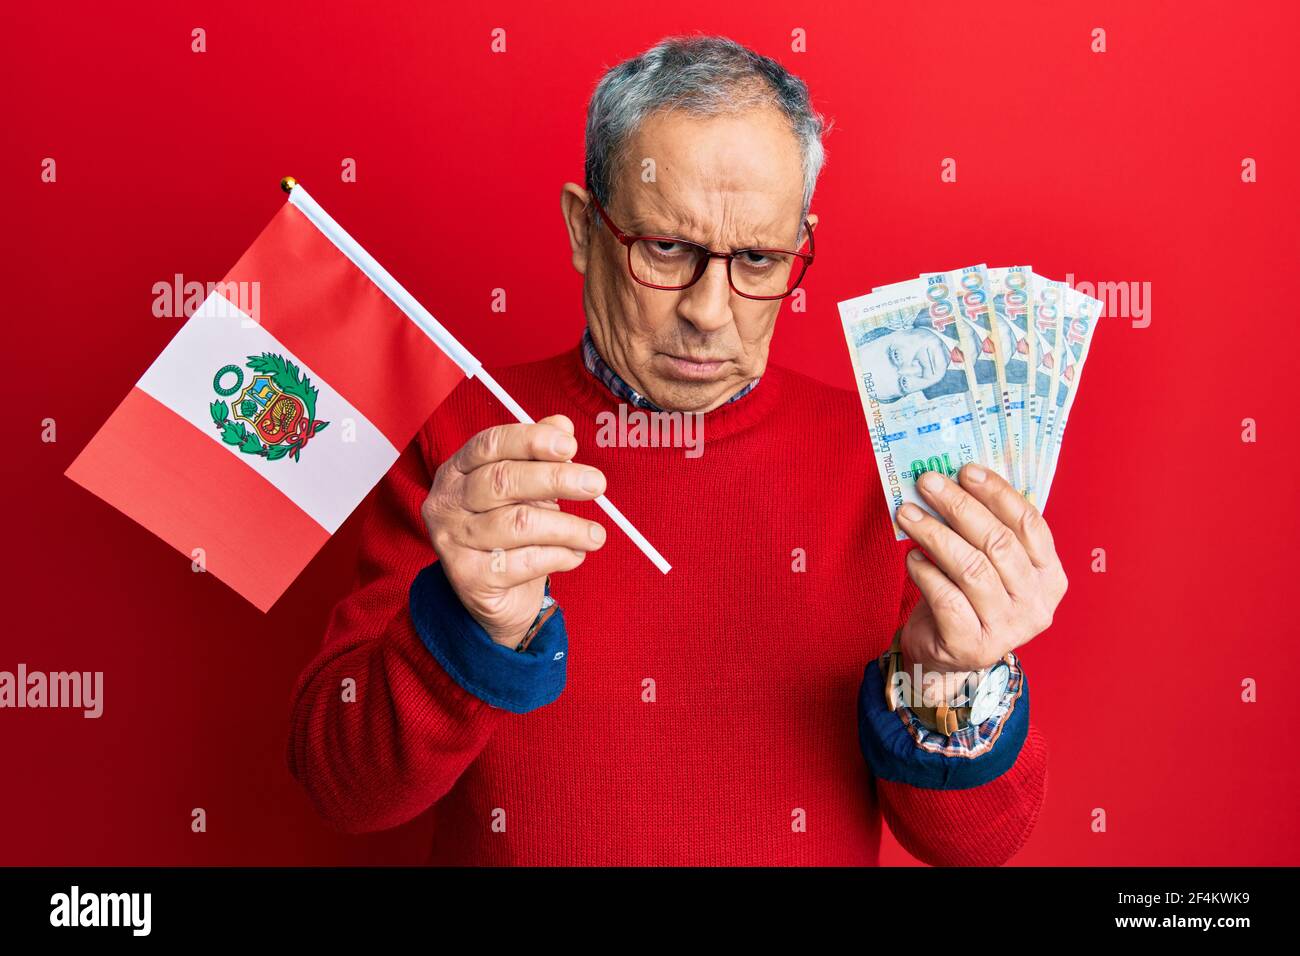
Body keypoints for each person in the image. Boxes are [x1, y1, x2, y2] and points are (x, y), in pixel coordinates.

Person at [287, 34, 1066, 866]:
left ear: (798, 242)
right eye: (667, 248)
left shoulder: (887, 462)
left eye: (759, 260)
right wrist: (467, 627)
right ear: (586, 229)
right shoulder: (471, 445)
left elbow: (975, 846)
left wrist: (948, 675)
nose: (708, 309)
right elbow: (343, 790)